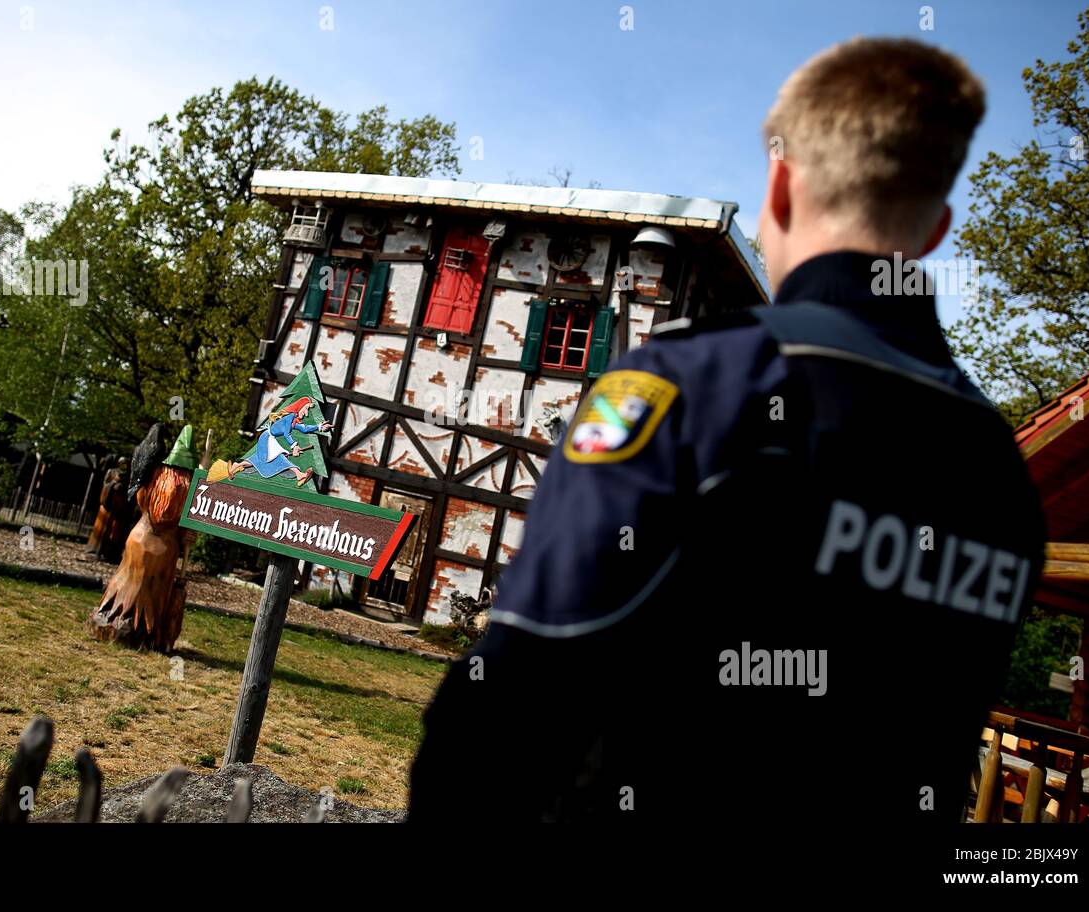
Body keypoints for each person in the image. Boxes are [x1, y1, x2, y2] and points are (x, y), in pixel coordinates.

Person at [409, 36, 1046, 823]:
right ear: (938, 227)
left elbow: (509, 718)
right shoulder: (1003, 472)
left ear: (780, 186)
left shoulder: (690, 387)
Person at [226, 397, 332, 487]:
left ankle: (235, 466)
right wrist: (294, 446)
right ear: (300, 407)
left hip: (269, 438)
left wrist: (319, 426)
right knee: (277, 457)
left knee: (259, 459)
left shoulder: (294, 420)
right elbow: (286, 433)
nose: (306, 413)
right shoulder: (290, 417)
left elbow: (304, 429)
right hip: (267, 438)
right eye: (306, 409)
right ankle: (299, 475)